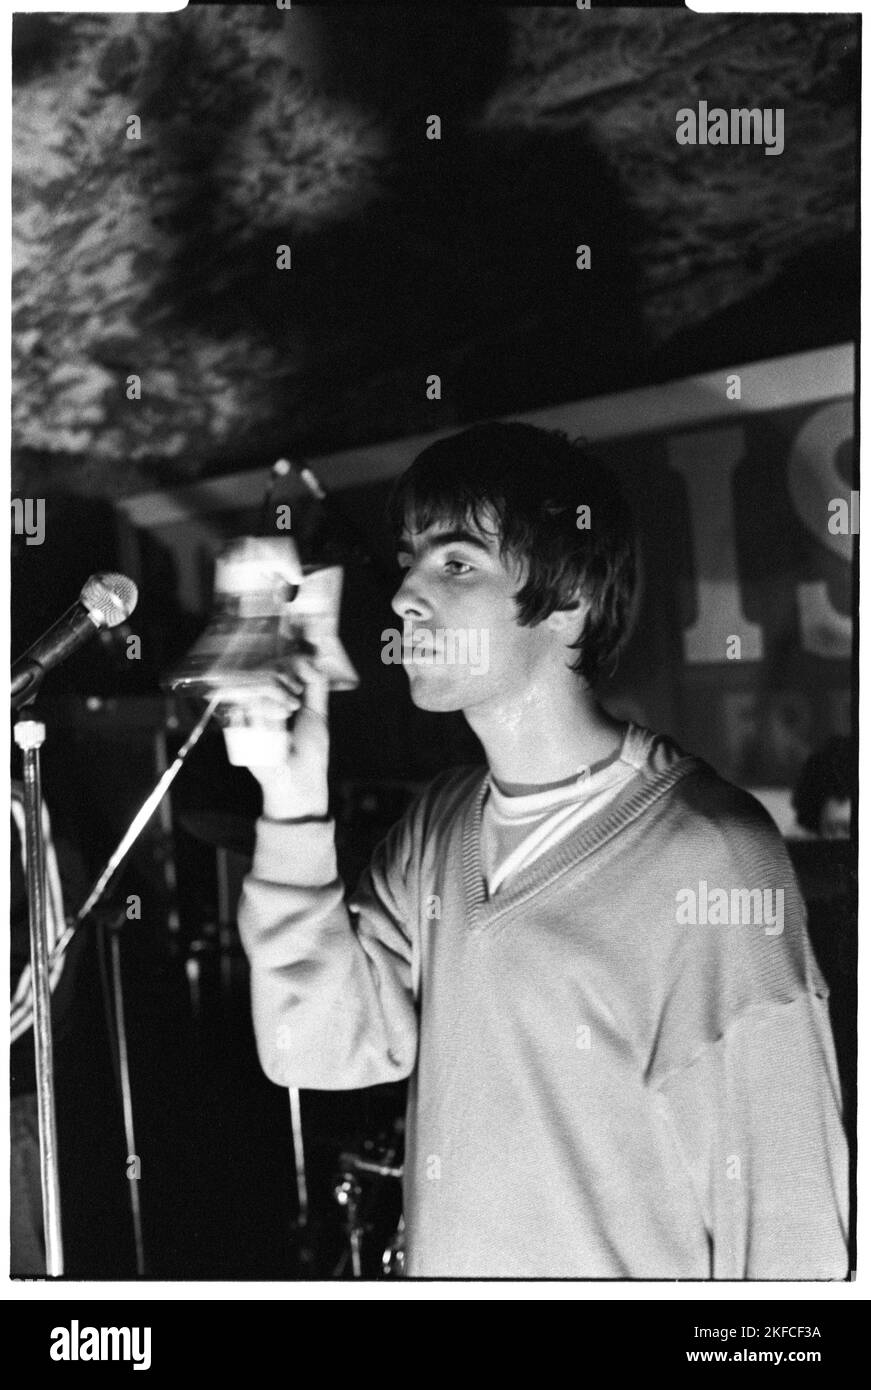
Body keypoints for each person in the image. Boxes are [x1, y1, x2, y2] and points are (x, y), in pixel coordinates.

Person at [235, 421, 848, 1279]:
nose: (406, 592)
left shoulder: (712, 857)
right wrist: (293, 804)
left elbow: (790, 1225)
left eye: (455, 564)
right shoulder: (439, 822)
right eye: (410, 558)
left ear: (569, 604)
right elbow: (315, 1046)